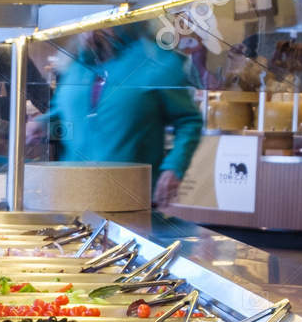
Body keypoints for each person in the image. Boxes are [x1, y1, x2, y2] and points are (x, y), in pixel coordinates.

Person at [36, 23, 203, 207]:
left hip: (128, 201)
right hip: (73, 195)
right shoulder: (75, 67)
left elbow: (189, 121)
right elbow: (65, 112)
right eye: (85, 24)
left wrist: (174, 168)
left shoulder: (155, 62)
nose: (90, 32)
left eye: (99, 24)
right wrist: (42, 124)